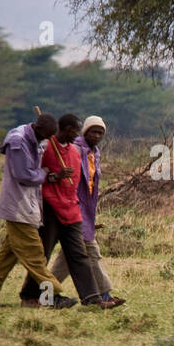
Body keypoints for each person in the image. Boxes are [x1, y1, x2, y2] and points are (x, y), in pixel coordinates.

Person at [19, 113, 115, 309]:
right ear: (65, 129)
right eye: (75, 131)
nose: (77, 135)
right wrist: (53, 176)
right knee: (43, 255)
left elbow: (77, 187)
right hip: (50, 209)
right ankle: (32, 297)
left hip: (72, 210)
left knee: (79, 255)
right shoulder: (46, 148)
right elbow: (33, 175)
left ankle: (92, 299)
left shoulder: (75, 152)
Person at [0, 113, 75, 308]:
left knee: (7, 257)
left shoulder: (39, 139)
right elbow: (24, 175)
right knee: (36, 258)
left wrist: (53, 176)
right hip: (18, 208)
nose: (48, 140)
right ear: (38, 128)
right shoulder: (18, 141)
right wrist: (45, 173)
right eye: (46, 136)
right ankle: (53, 296)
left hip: (30, 207)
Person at [49, 116, 123, 306]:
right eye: (93, 131)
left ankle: (45, 294)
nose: (97, 136)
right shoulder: (75, 149)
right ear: (85, 132)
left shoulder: (94, 153)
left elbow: (90, 187)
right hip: (72, 208)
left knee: (66, 260)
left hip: (84, 213)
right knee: (91, 251)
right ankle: (104, 295)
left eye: (100, 133)